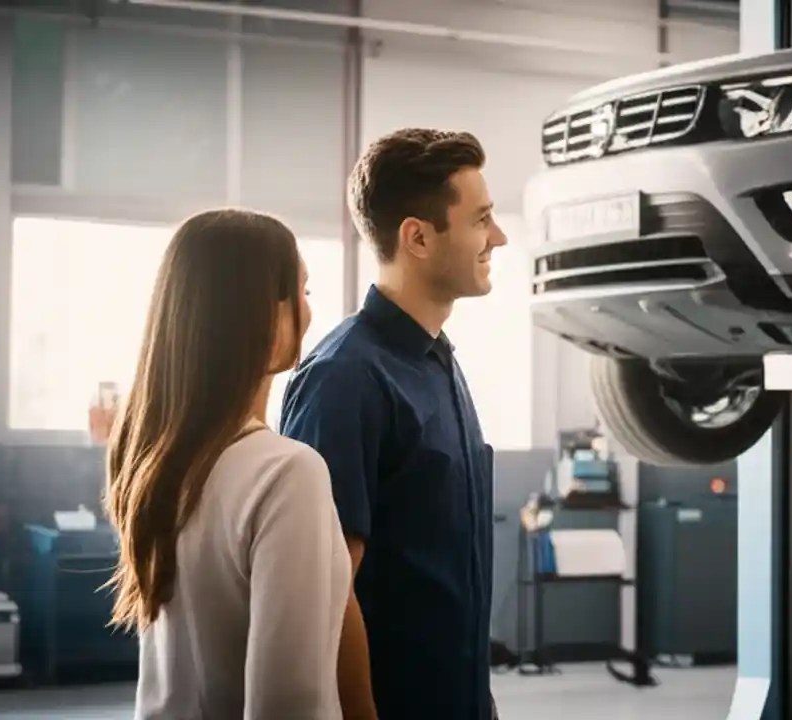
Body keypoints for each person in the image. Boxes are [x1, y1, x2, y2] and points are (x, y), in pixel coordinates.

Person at [281, 128, 507, 720]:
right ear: (418, 238)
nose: (498, 238)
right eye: (482, 220)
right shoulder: (345, 379)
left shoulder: (440, 364)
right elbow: (324, 600)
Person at [104, 209, 351, 719]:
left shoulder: (155, 460)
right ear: (264, 313)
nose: (309, 314)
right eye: (302, 292)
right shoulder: (287, 473)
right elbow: (288, 702)